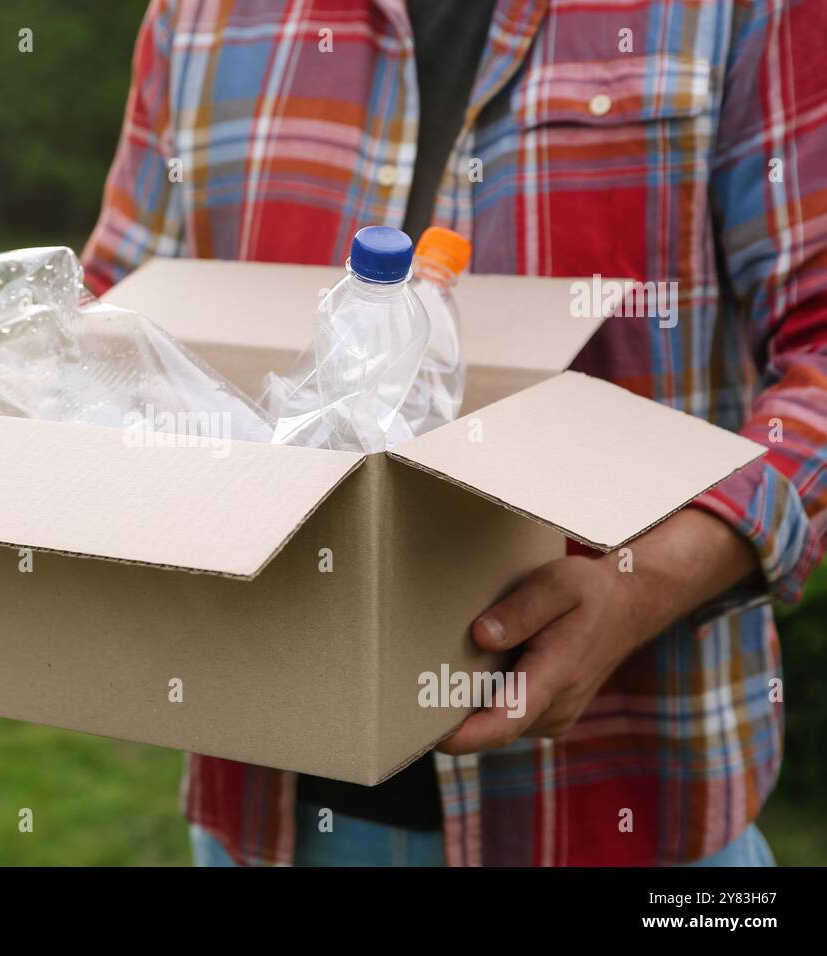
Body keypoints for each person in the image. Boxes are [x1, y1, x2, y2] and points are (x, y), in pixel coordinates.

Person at [80, 0, 827, 866]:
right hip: (265, 807)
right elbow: (115, 318)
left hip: (620, 808)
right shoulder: (198, 16)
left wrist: (645, 581)